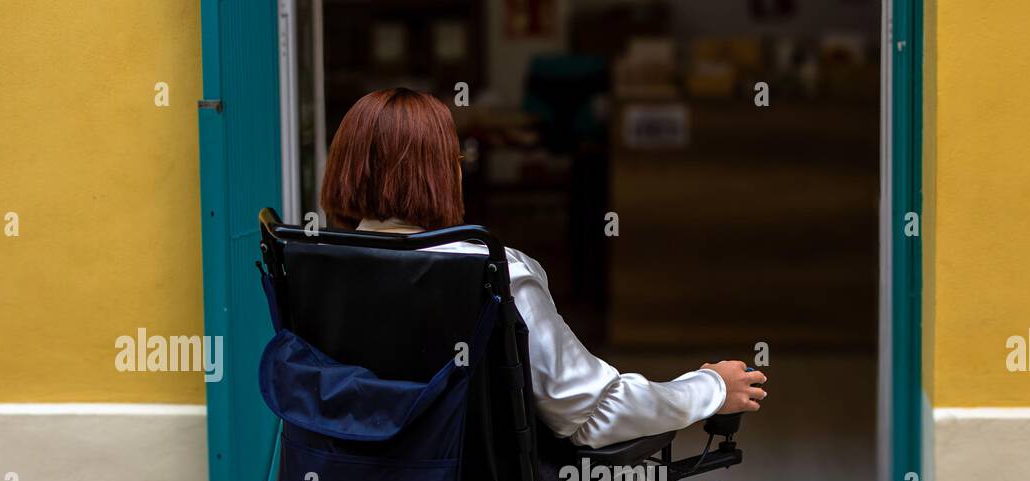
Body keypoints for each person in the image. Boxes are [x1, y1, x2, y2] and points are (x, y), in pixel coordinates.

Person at [319, 88, 766, 449]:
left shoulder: (317, 266)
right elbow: (593, 414)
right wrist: (708, 389)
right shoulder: (492, 272)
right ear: (437, 175)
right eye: (456, 161)